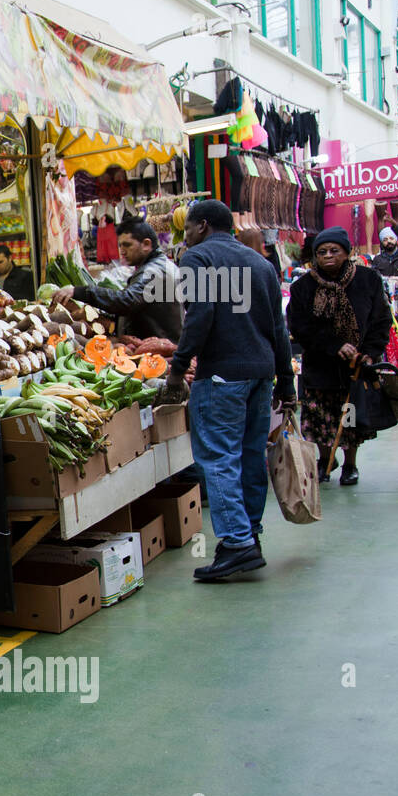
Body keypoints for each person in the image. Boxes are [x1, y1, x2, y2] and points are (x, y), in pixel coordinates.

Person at [158, 199, 296, 582]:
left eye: (186, 229)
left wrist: (178, 369)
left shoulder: (198, 258)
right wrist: (286, 382)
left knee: (218, 458)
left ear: (202, 226)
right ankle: (249, 536)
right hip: (261, 375)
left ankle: (236, 543)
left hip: (221, 376)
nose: (184, 237)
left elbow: (199, 316)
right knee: (250, 457)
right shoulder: (261, 264)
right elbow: (278, 329)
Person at [285, 226, 393, 486]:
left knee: (350, 417)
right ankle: (325, 460)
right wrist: (333, 346)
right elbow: (300, 326)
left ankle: (350, 464)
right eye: (322, 252)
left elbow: (381, 320)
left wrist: (369, 353)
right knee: (320, 417)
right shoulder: (303, 287)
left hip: (355, 367)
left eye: (334, 250)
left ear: (347, 252)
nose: (328, 256)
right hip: (320, 365)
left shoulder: (367, 280)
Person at [50, 219, 182, 342]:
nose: (122, 251)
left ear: (146, 244)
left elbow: (127, 301)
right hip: (161, 342)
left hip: (159, 348)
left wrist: (79, 292)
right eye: (120, 245)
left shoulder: (154, 271)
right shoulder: (164, 265)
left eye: (127, 245)